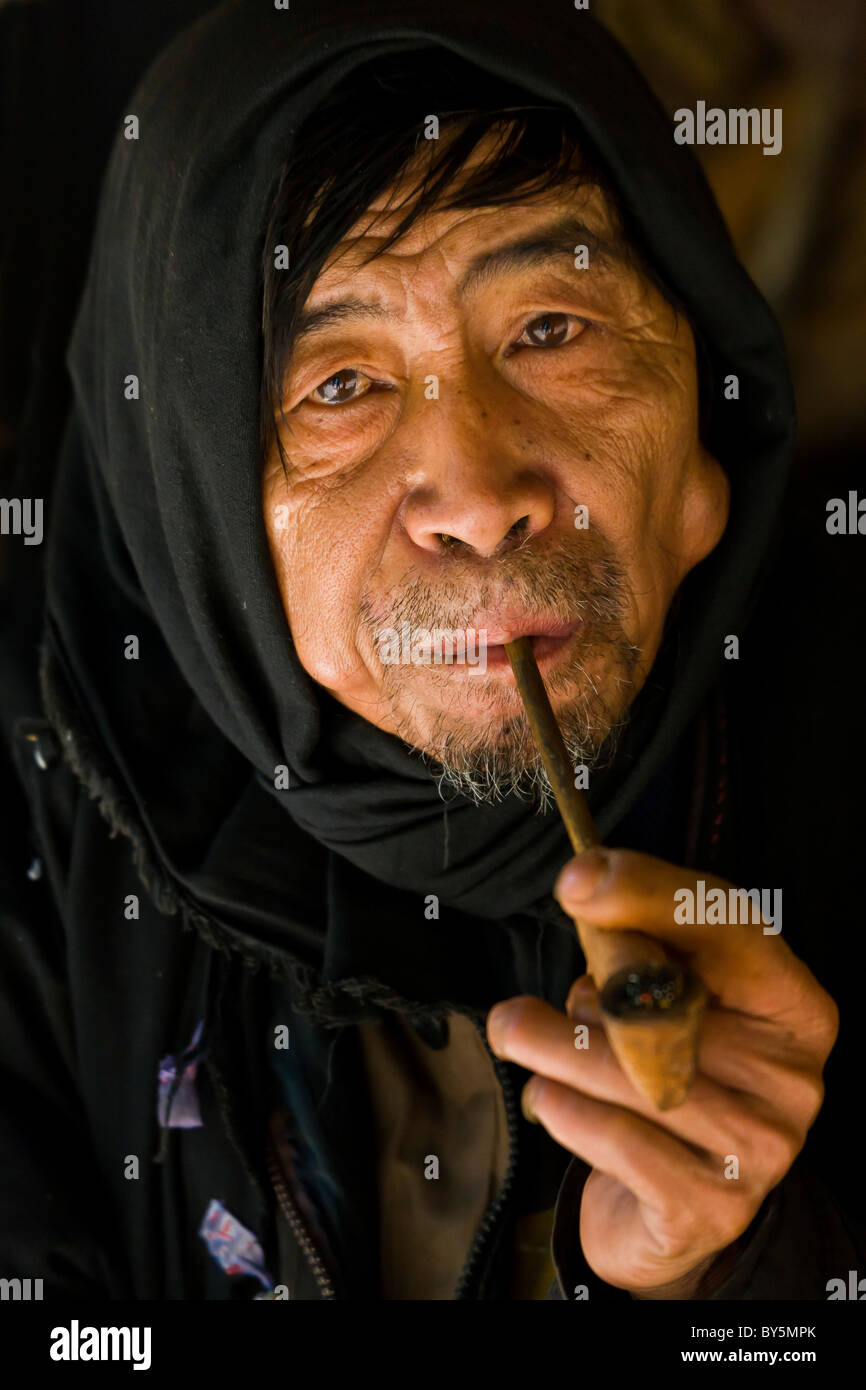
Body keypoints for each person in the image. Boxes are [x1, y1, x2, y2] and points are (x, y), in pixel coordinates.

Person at [0, 0, 861, 1302]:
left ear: (702, 454)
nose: (475, 493)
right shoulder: (32, 855)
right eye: (337, 385)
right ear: (192, 522)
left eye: (549, 331)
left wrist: (731, 1281)